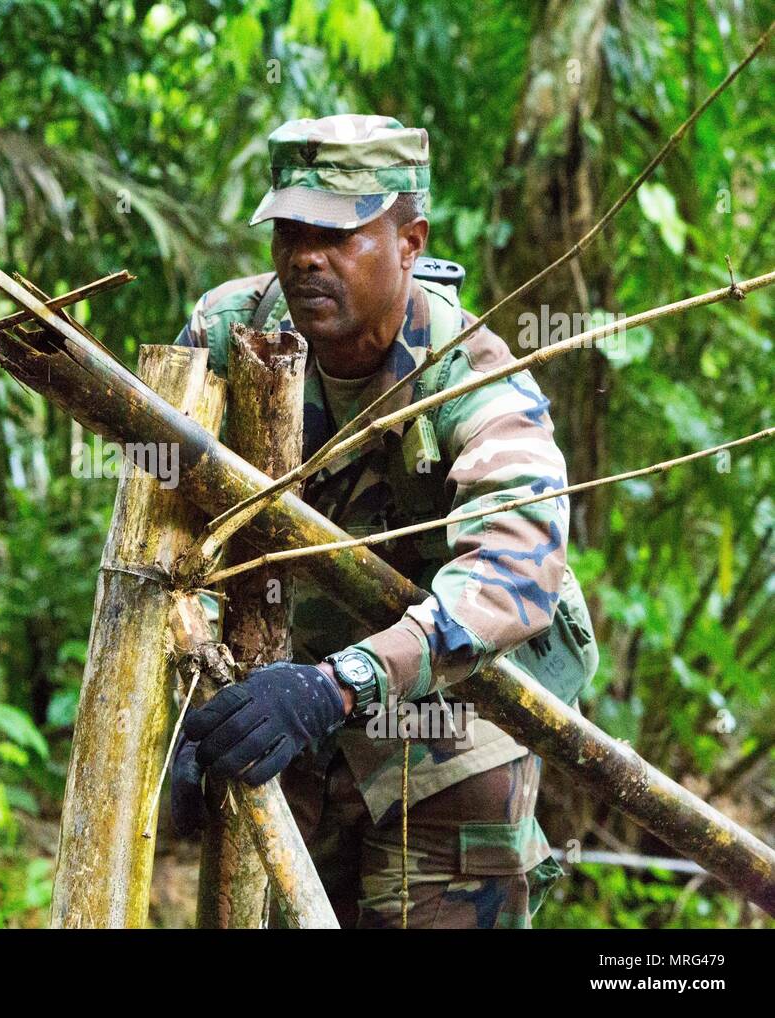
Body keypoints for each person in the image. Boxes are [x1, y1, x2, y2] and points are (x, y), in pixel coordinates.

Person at [170, 114, 598, 928]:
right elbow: (161, 536)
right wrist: (184, 710)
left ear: (410, 241)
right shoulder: (231, 336)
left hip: (455, 712)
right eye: (289, 231)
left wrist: (341, 686)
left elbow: (514, 572)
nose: (305, 257)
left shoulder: (471, 375)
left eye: (338, 233)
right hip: (292, 708)